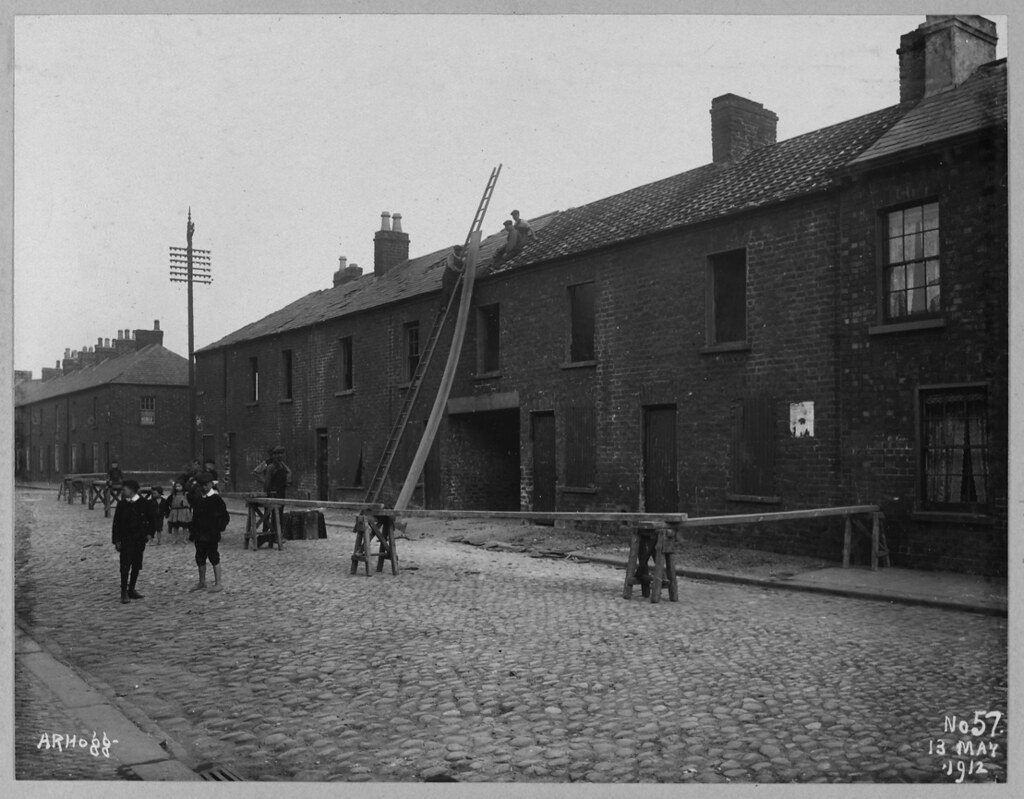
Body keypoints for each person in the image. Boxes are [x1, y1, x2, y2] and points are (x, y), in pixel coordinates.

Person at [111, 479, 155, 604]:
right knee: (125, 565)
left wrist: (149, 534)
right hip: (126, 539)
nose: (122, 491)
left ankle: (132, 589)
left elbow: (151, 519)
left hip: (139, 539)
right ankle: (123, 591)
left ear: (132, 490)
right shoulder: (122, 504)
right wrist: (116, 540)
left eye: (124, 489)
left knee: (136, 564)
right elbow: (116, 523)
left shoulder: (144, 503)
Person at [188, 473, 230, 593]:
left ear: (211, 484)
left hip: (211, 534)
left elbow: (224, 516)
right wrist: (193, 530)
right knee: (200, 557)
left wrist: (218, 528)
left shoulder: (216, 499)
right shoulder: (199, 499)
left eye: (206, 485)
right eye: (202, 485)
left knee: (213, 557)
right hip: (199, 533)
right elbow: (195, 516)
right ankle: (202, 582)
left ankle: (218, 583)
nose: (204, 487)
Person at [165, 481, 192, 545]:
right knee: (175, 527)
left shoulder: (186, 494)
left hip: (184, 512)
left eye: (179, 486)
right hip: (175, 512)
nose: (177, 487)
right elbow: (167, 503)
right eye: (176, 486)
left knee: (185, 527)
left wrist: (189, 509)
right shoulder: (173, 495)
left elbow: (191, 502)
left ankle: (184, 539)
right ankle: (175, 539)